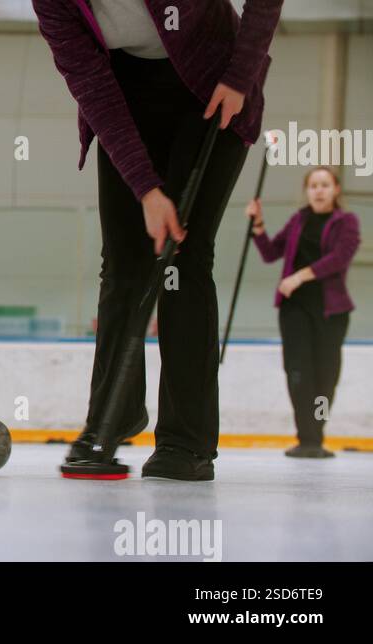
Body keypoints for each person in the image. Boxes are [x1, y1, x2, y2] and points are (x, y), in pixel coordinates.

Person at [33, 0, 283, 480]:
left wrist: (241, 75)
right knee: (124, 264)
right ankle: (111, 418)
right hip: (124, 95)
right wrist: (146, 189)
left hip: (213, 83)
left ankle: (185, 442)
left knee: (183, 262)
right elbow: (90, 84)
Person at [248, 167, 361, 458]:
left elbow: (339, 258)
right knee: (298, 371)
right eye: (313, 185)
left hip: (330, 312)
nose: (318, 190)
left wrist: (299, 277)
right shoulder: (298, 219)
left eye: (325, 185)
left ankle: (317, 437)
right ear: (307, 190)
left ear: (336, 189)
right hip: (294, 308)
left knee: (326, 375)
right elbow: (271, 252)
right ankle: (305, 438)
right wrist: (259, 227)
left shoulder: (346, 222)